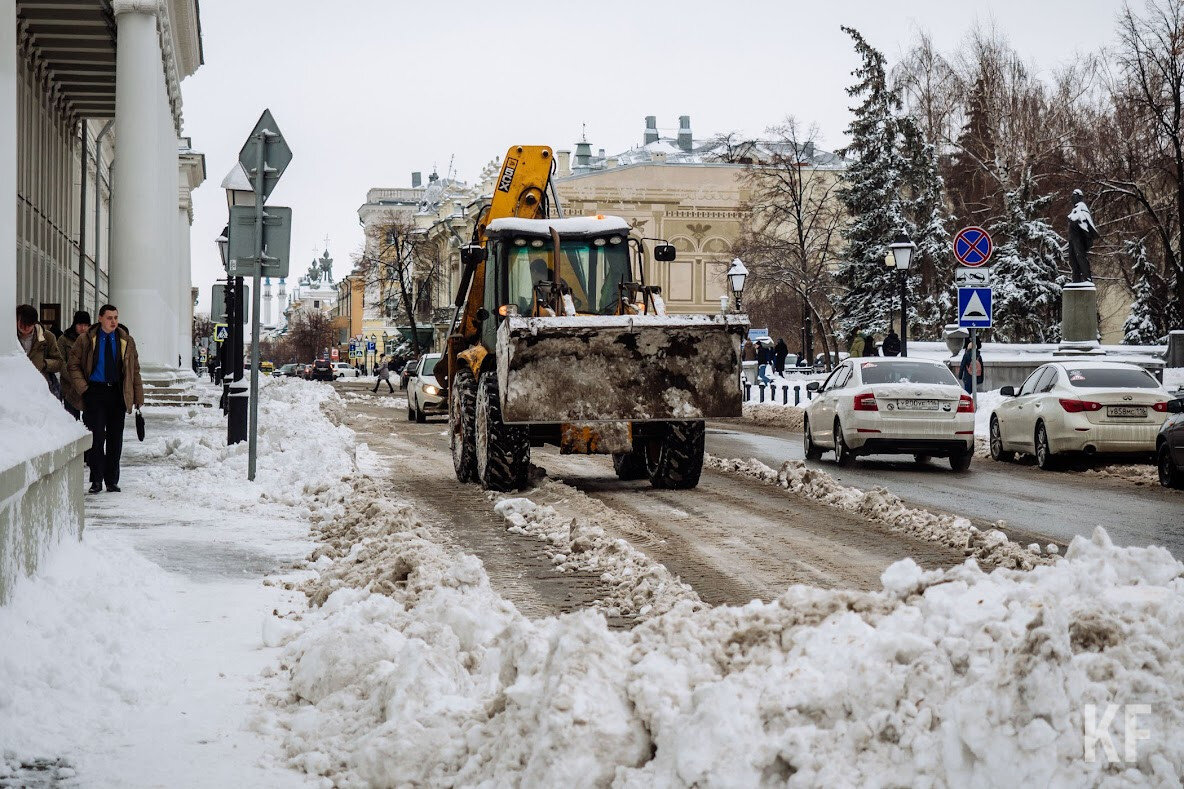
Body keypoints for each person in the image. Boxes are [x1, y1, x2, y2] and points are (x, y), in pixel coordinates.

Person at [66, 304, 144, 494]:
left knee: (115, 439)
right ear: (100, 318)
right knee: (97, 438)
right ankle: (96, 480)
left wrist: (137, 395)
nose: (113, 322)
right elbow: (72, 364)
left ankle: (111, 480)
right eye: (109, 318)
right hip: (95, 393)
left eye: (116, 317)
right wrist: (84, 388)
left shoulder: (125, 340)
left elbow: (134, 370)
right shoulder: (86, 340)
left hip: (117, 393)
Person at [18, 304, 65, 398]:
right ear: (16, 321)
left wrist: (44, 364)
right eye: (23, 324)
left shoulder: (47, 337)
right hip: (16, 386)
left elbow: (59, 362)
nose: (26, 328)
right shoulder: (9, 338)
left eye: (29, 325)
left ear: (35, 323)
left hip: (39, 388)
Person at [56, 310, 91, 419]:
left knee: (90, 422)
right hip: (69, 387)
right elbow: (61, 361)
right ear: (75, 324)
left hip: (88, 387)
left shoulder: (92, 340)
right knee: (71, 420)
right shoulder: (64, 339)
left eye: (86, 325)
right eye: (80, 325)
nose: (83, 328)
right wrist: (75, 380)